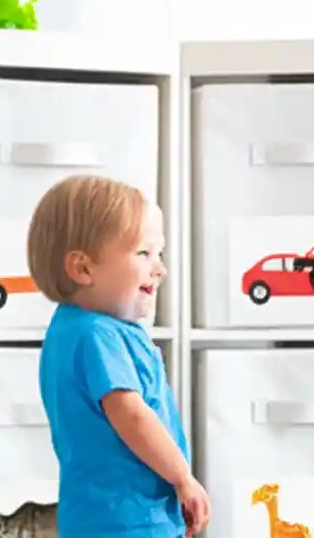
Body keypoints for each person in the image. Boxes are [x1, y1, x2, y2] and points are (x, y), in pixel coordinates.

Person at [31, 174, 210, 537]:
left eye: (159, 254)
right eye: (143, 253)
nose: (160, 268)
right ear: (83, 268)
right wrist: (182, 478)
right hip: (130, 518)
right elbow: (132, 416)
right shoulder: (96, 335)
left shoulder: (76, 329)